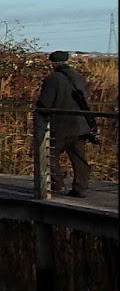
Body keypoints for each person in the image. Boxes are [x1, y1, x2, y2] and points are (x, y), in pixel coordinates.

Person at [35, 50, 98, 197]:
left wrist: (40, 111)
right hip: (81, 124)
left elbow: (45, 104)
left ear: (53, 63)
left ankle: (57, 185)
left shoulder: (52, 79)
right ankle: (80, 187)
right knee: (79, 157)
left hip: (61, 124)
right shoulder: (79, 77)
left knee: (49, 153)